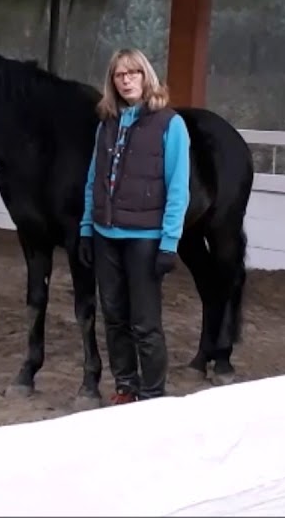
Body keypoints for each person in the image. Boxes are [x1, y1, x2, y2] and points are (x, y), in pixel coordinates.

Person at [77, 48, 191, 405]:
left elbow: (178, 186)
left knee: (145, 323)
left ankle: (154, 393)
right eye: (119, 75)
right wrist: (85, 227)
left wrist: (169, 242)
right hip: (105, 235)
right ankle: (126, 386)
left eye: (133, 73)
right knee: (114, 318)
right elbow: (94, 178)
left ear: (145, 76)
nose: (126, 80)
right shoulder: (106, 123)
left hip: (145, 239)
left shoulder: (170, 124)